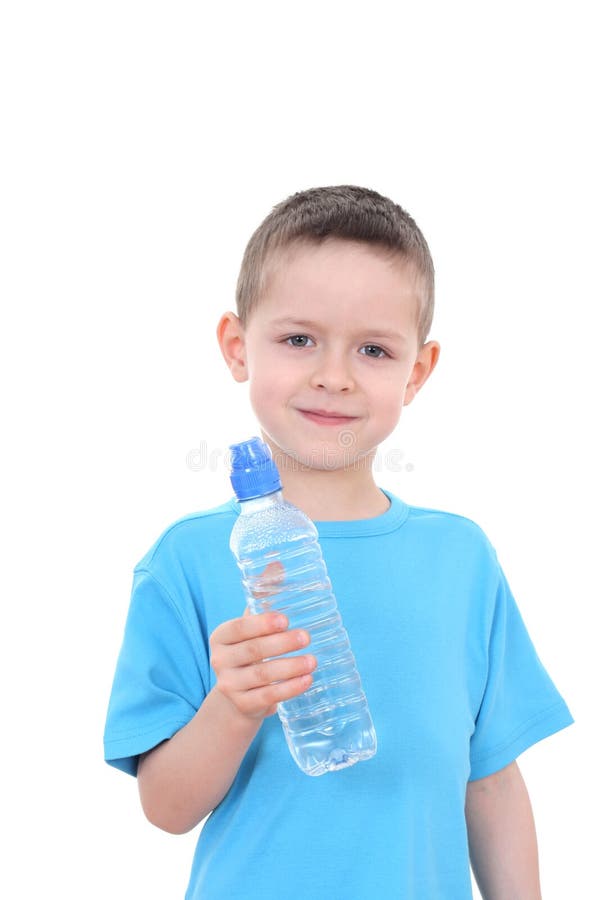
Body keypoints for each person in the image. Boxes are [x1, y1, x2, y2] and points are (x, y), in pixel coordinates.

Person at [103, 185, 574, 899]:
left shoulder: (460, 559)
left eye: (375, 350)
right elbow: (165, 808)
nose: (334, 376)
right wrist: (233, 706)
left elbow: (490, 783)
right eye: (298, 339)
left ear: (417, 371)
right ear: (237, 347)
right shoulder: (187, 561)